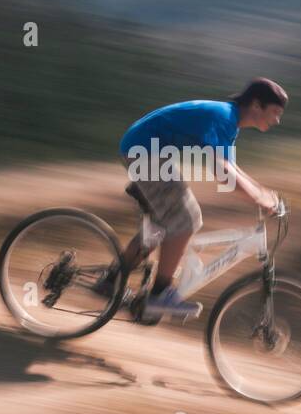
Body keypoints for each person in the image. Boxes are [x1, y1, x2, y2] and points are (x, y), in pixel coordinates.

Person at [106, 78, 287, 319]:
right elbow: (222, 172)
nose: (277, 120)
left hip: (143, 149)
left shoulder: (229, 120)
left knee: (161, 228)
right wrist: (258, 198)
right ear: (256, 105)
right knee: (186, 219)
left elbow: (231, 167)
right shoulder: (223, 118)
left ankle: (110, 281)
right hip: (144, 153)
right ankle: (160, 295)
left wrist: (263, 192)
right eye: (274, 112)